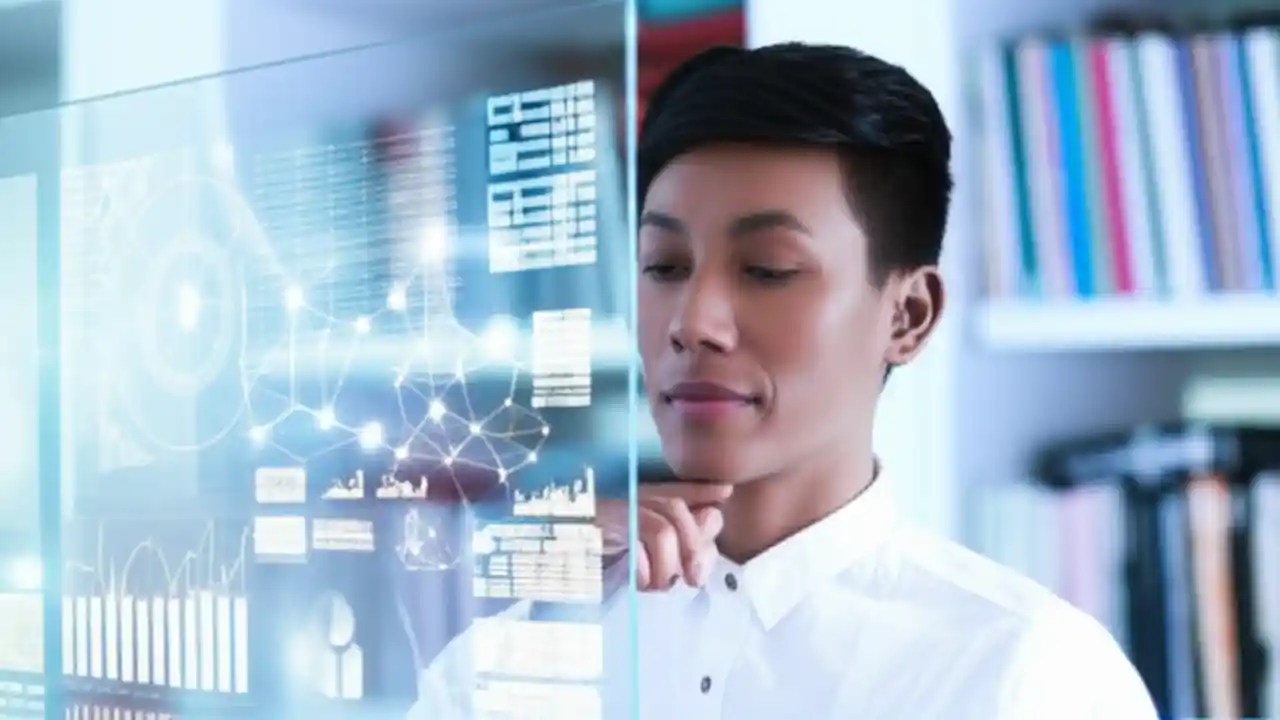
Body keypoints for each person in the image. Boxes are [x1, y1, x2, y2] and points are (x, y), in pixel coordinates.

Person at [412, 43, 1157, 719]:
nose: (693, 321)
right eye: (665, 267)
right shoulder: (511, 663)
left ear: (908, 316)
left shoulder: (1026, 677)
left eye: (768, 270)